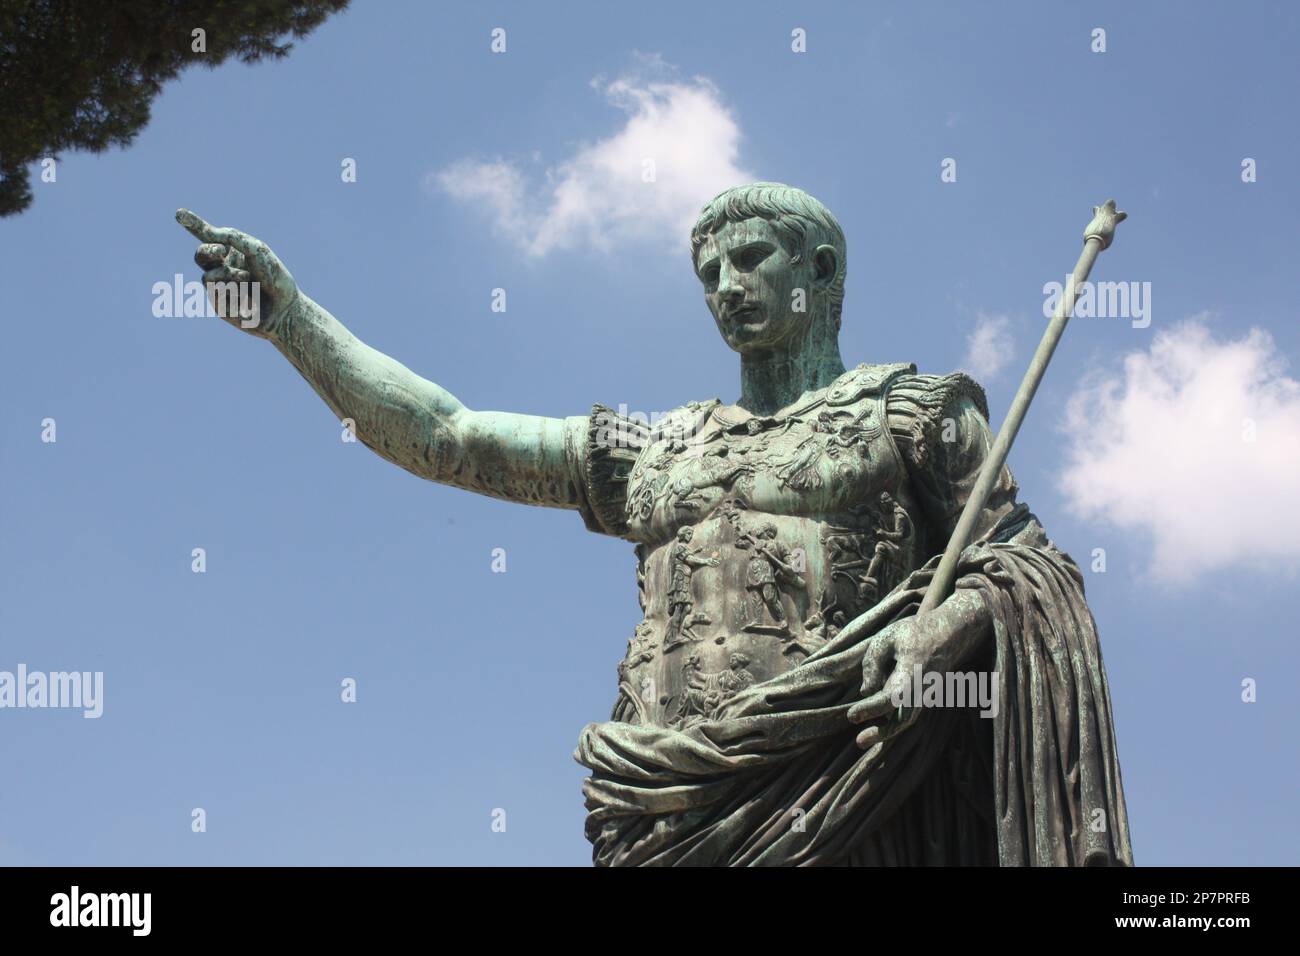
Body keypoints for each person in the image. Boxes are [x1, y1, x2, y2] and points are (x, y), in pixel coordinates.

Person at [177, 181, 1131, 866]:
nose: (725, 283)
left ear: (822, 267)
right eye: (708, 270)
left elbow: (1023, 568)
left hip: (843, 783)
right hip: (660, 803)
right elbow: (450, 435)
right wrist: (290, 321)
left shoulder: (912, 411)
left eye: (751, 257)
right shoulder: (656, 441)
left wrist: (941, 628)